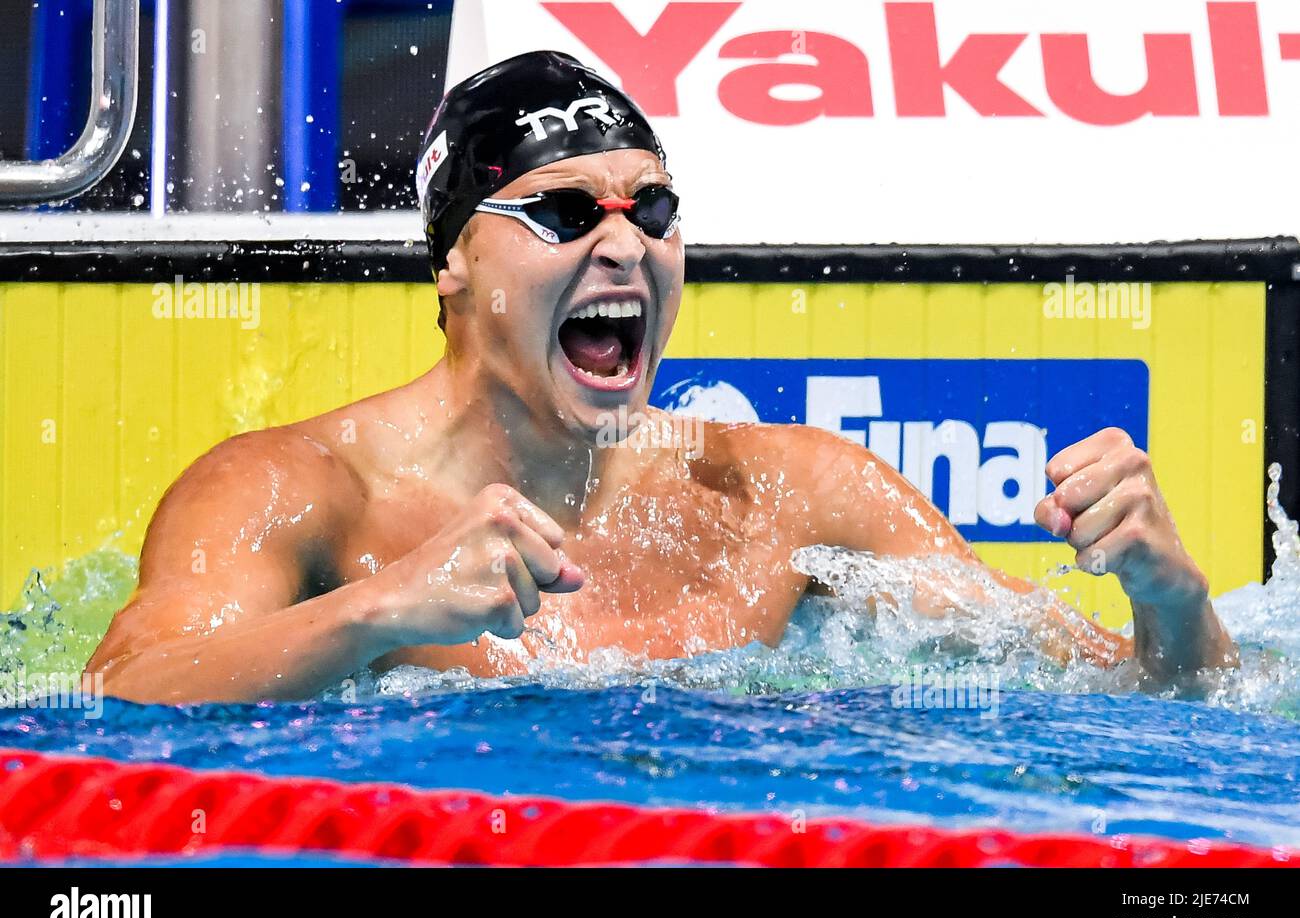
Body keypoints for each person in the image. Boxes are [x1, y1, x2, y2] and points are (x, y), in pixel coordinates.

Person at [86, 51, 1236, 704]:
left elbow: (1143, 706)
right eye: (566, 211)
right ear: (450, 260)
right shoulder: (296, 492)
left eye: (655, 209)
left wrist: (1174, 603)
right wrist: (378, 610)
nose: (625, 244)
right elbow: (117, 698)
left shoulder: (787, 497)